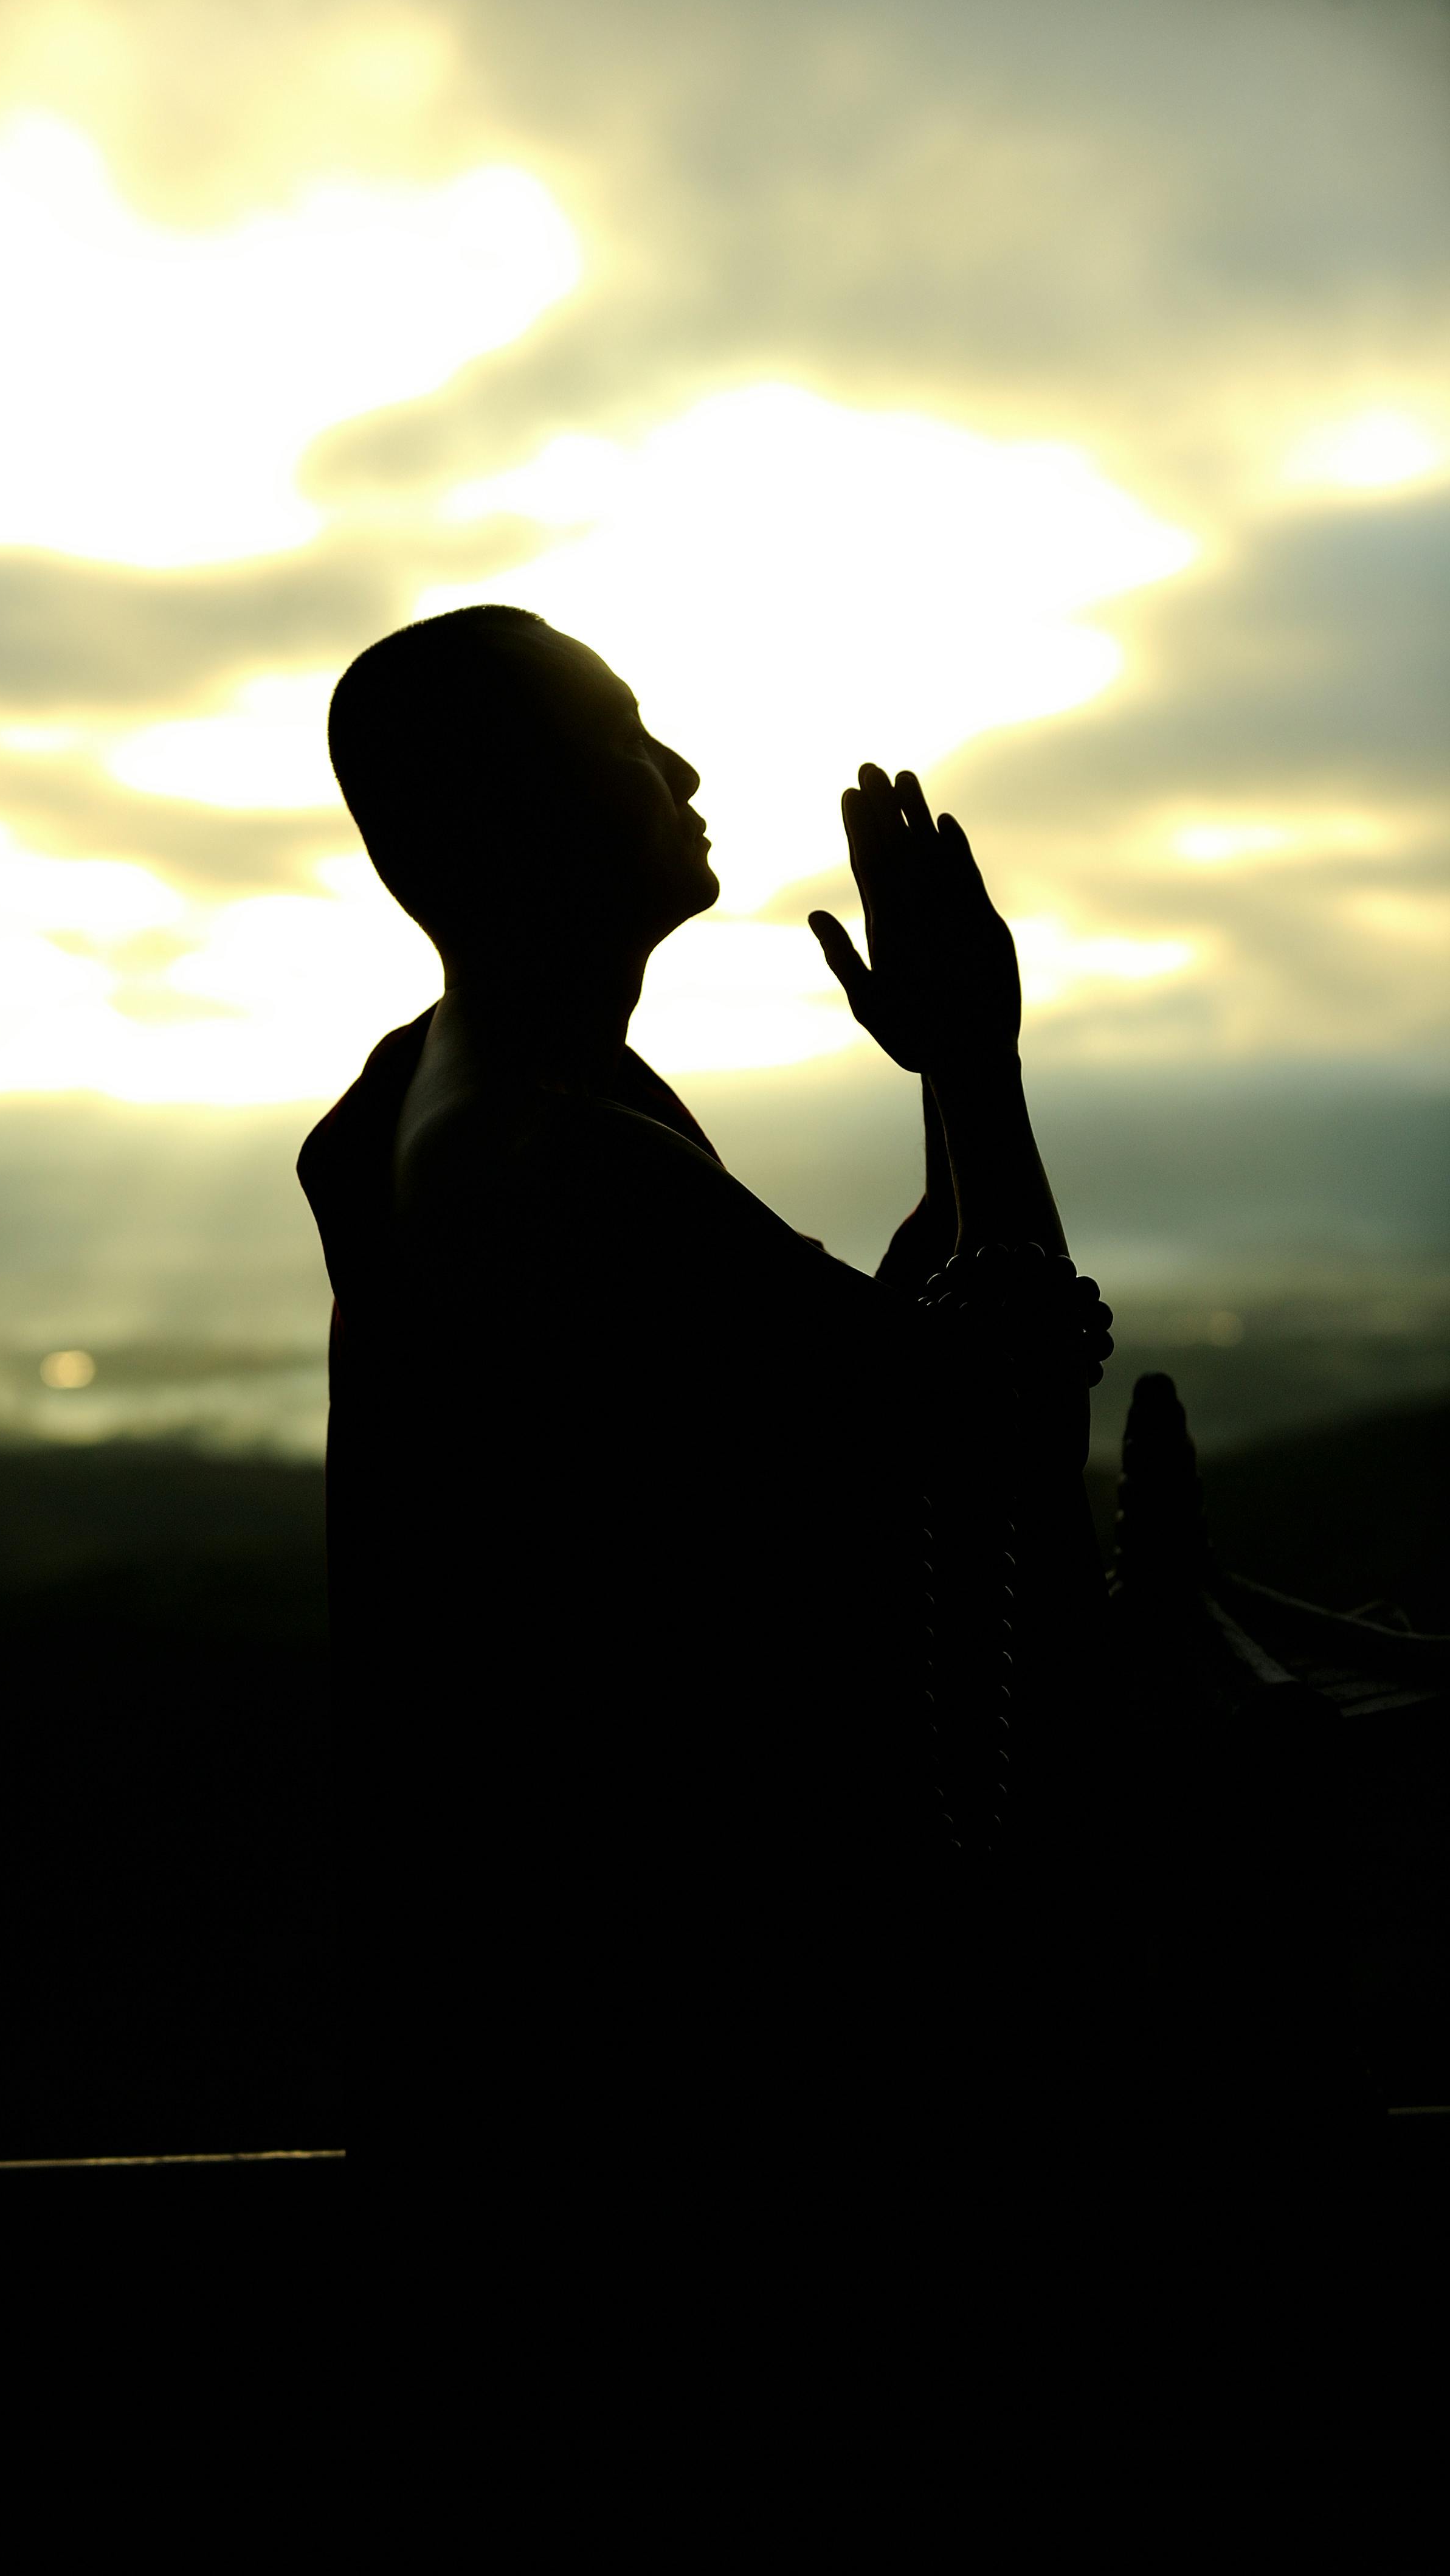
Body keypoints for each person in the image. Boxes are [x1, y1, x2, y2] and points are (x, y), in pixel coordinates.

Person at [298, 604, 1128, 2243]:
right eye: (617, 739)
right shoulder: (551, 1164)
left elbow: (861, 1363)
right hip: (665, 2071)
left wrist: (952, 1095)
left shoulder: (451, 1097)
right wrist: (974, 1066)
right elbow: (989, 1409)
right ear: (495, 811)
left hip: (543, 2037)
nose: (677, 770)